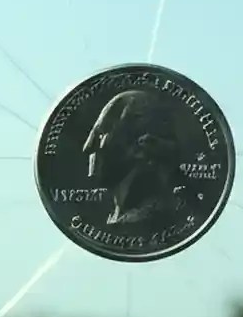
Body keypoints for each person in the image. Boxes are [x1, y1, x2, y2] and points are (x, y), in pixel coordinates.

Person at [81, 88, 195, 225]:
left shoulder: (152, 218)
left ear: (141, 147)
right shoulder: (118, 215)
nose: (88, 146)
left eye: (102, 133)